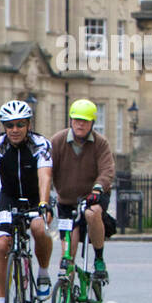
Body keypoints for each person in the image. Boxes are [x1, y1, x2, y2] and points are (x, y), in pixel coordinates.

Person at [0, 100, 54, 303]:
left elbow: (44, 175)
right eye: (9, 125)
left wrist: (44, 203)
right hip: (8, 198)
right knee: (2, 243)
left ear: (28, 125)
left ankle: (43, 272)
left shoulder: (40, 144)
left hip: (36, 197)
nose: (14, 130)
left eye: (19, 125)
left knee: (38, 228)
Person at [49, 99, 115, 282]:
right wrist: (43, 194)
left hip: (92, 197)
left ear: (92, 123)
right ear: (70, 120)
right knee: (67, 256)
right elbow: (46, 168)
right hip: (67, 200)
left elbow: (107, 170)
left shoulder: (100, 143)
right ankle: (66, 291)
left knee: (93, 214)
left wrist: (98, 188)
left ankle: (99, 259)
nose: (80, 124)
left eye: (85, 121)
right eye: (76, 120)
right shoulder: (57, 141)